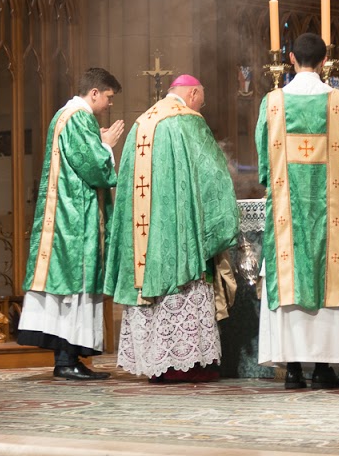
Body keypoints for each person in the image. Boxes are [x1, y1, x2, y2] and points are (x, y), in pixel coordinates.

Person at [102, 74, 239, 383]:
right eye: (201, 100)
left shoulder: (141, 123)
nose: (200, 107)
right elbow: (213, 174)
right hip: (179, 236)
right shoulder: (188, 121)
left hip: (144, 240)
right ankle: (188, 363)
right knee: (185, 281)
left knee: (149, 283)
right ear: (191, 94)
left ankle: (156, 360)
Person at [255, 31, 339, 389]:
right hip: (329, 211)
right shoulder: (338, 102)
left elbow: (262, 158)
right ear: (324, 61)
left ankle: (291, 370)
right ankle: (323, 368)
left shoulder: (273, 103)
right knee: (327, 276)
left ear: (290, 59)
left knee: (292, 276)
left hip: (287, 213)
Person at [16, 66, 125, 380]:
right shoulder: (78, 117)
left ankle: (70, 359)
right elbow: (93, 167)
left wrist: (98, 140)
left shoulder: (66, 116)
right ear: (94, 93)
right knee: (73, 287)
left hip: (68, 213)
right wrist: (106, 146)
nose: (109, 105)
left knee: (69, 291)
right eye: (108, 97)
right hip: (74, 219)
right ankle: (66, 360)